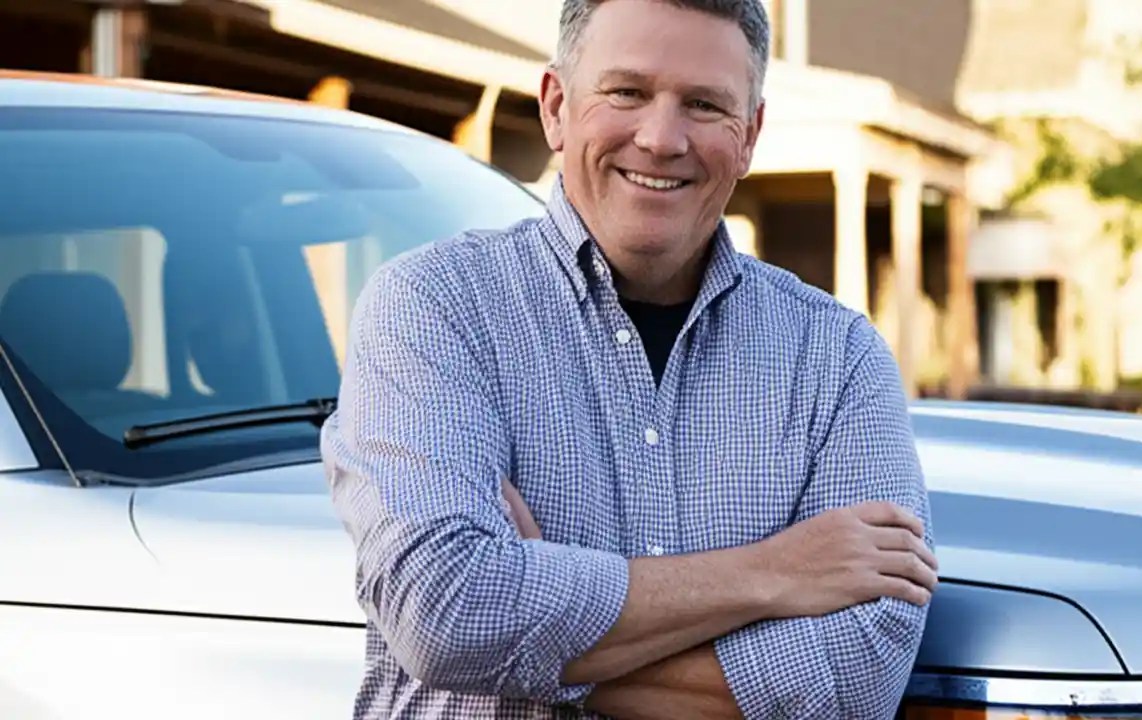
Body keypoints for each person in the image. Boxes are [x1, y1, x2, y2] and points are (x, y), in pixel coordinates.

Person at [320, 0, 939, 718]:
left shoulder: (838, 358)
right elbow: (446, 607)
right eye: (626, 92)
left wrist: (540, 620)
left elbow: (861, 673)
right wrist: (774, 573)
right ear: (556, 107)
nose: (660, 136)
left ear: (751, 136)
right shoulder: (436, 308)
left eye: (704, 105)